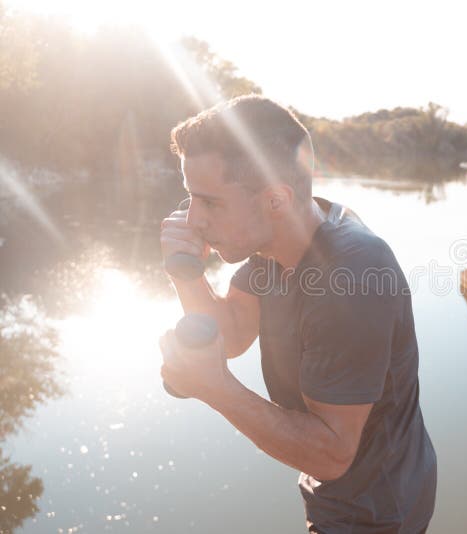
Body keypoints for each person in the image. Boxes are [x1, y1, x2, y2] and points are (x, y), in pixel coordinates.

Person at [158, 94, 437, 533]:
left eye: (209, 202)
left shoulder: (351, 278)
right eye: (190, 199)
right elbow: (230, 335)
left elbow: (332, 454)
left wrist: (213, 387)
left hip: (375, 512)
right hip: (345, 492)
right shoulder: (280, 240)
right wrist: (184, 271)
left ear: (275, 200)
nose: (192, 220)